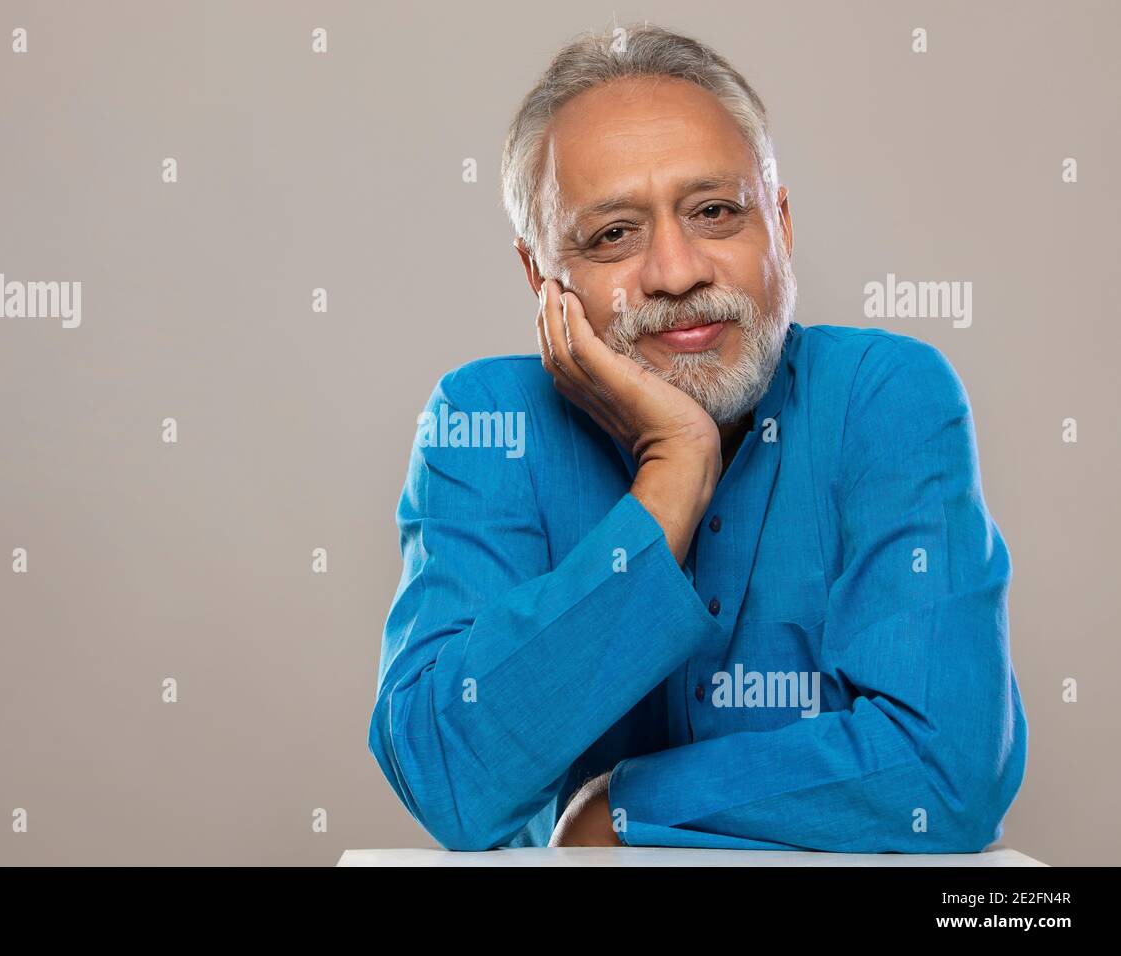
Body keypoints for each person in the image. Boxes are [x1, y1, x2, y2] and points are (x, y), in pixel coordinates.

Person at [368, 23, 1026, 852]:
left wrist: (628, 805)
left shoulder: (889, 398)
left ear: (780, 227)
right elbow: (449, 779)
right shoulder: (482, 424)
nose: (677, 273)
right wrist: (670, 476)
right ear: (542, 279)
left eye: (715, 212)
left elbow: (945, 770)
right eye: (614, 234)